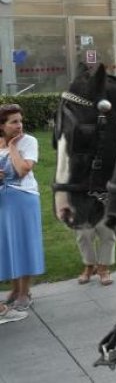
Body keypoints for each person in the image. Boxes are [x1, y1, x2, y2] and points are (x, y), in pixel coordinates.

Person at [0, 104, 43, 324]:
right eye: (13, 122)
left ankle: (25, 292)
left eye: (20, 120)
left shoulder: (29, 141)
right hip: (3, 201)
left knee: (25, 244)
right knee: (9, 245)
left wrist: (12, 147)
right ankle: (15, 289)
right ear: (2, 126)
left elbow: (23, 170)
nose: (19, 125)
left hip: (24, 198)